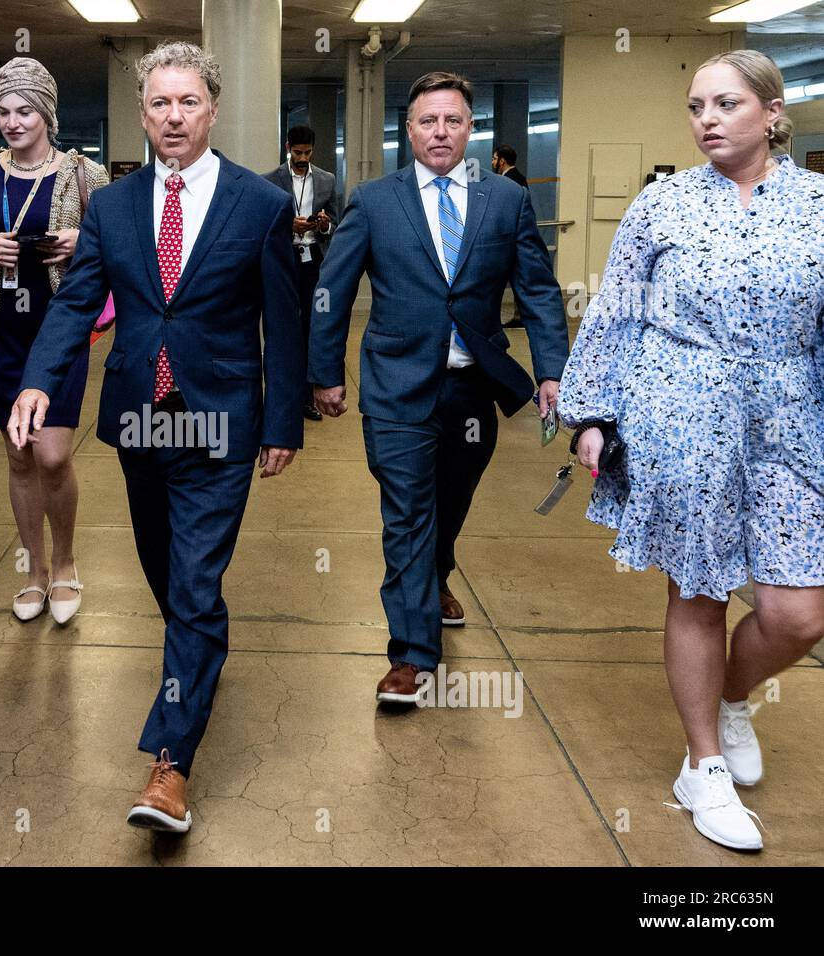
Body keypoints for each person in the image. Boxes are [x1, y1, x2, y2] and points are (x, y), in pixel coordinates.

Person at [8, 41, 302, 833]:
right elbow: (76, 306)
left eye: (188, 103)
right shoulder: (112, 206)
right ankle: (199, 657)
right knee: (171, 580)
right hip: (142, 418)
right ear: (143, 114)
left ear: (212, 109)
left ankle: (170, 764)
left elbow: (285, 320)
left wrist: (283, 422)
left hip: (221, 422)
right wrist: (38, 379)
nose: (174, 117)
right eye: (159, 104)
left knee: (196, 586)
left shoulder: (261, 204)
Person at [560, 50, 824, 853]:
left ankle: (733, 698)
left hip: (790, 414)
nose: (707, 118)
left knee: (797, 612)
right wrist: (590, 415)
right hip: (682, 408)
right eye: (695, 105)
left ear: (773, 113)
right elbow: (616, 312)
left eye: (727, 103)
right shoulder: (661, 206)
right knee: (699, 589)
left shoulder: (818, 205)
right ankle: (702, 764)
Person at [309, 71, 567, 700]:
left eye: (453, 121)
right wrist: (323, 376)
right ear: (410, 128)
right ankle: (411, 653)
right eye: (428, 121)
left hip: (473, 389)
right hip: (396, 387)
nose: (441, 132)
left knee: (449, 504)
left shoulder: (504, 201)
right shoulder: (375, 200)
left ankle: (438, 568)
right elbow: (331, 295)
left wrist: (553, 370)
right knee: (406, 515)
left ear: (469, 128)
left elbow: (536, 288)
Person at [0, 57, 108, 625]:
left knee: (53, 454)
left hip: (58, 329)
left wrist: (78, 242)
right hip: (0, 328)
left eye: (26, 111)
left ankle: (65, 563)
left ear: (48, 114)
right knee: (17, 453)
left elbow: (114, 249)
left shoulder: (85, 175)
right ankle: (34, 571)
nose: (14, 123)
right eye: (5, 112)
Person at [263, 125, 340, 422]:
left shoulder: (326, 180)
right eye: (297, 152)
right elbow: (264, 225)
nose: (302, 158)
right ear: (287, 148)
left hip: (313, 264)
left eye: (307, 153)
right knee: (280, 330)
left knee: (312, 330)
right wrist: (287, 226)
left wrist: (322, 224)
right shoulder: (271, 181)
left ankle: (306, 398)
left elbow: (335, 223)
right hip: (283, 264)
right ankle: (279, 396)